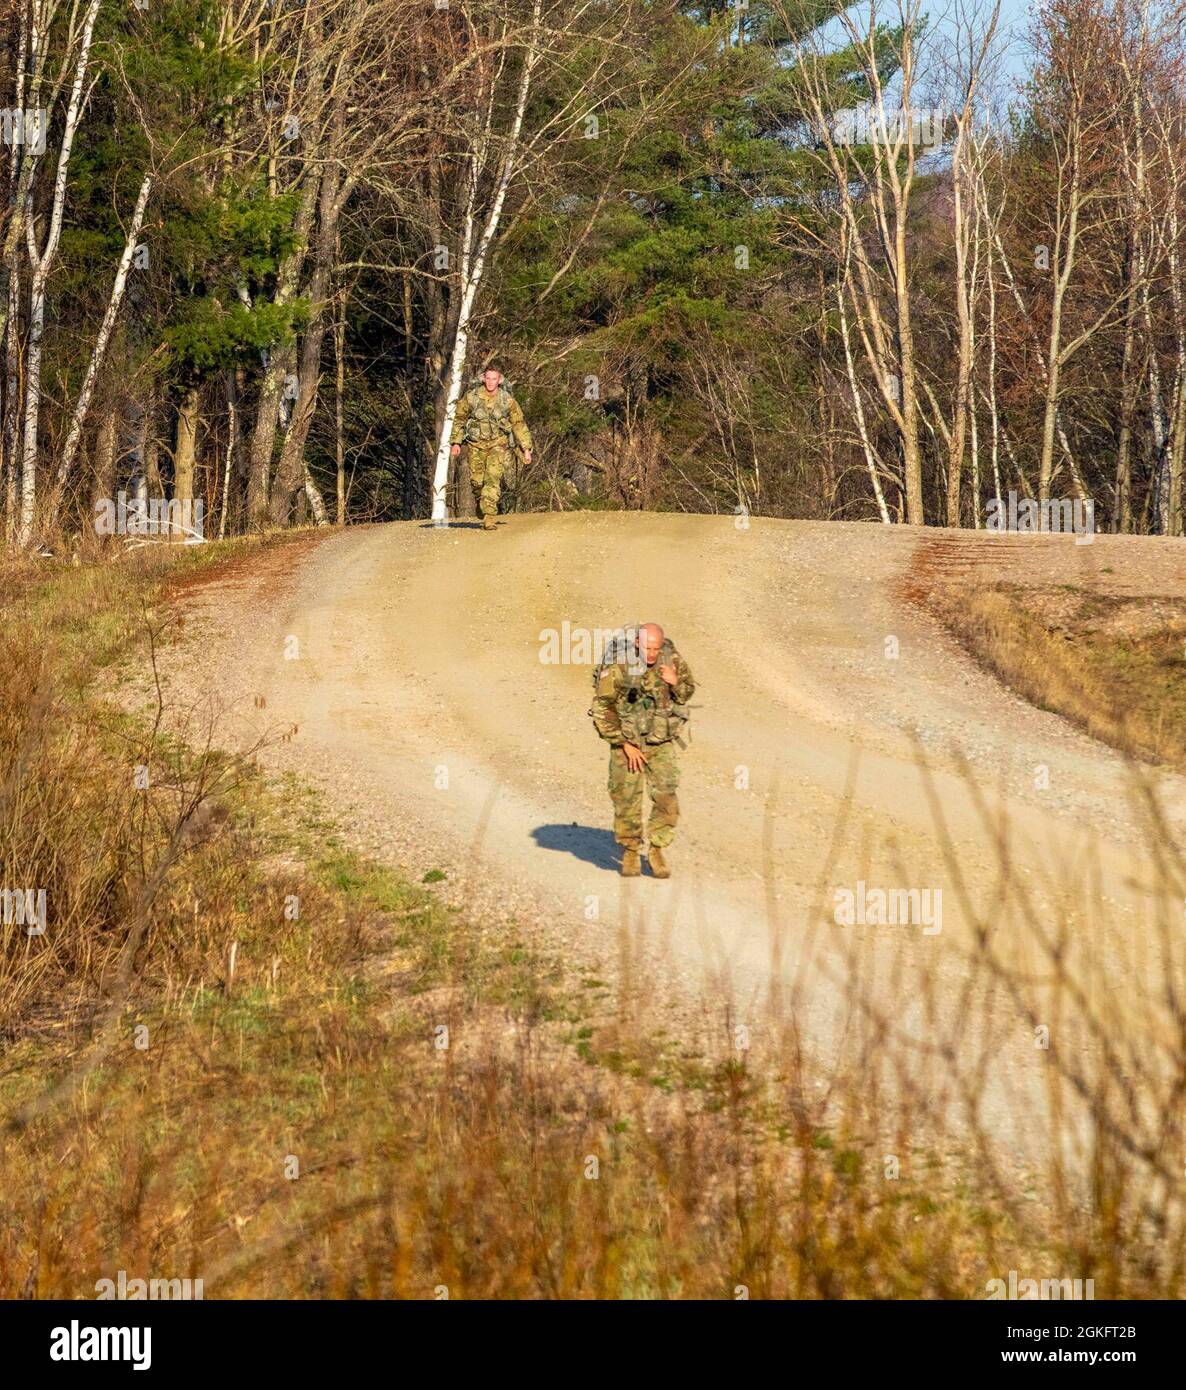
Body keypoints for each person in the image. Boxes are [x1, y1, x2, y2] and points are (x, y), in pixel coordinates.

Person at [590, 622, 695, 878]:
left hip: (660, 743)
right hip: (627, 744)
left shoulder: (670, 659)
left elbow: (686, 692)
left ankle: (658, 848)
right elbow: (602, 709)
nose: (651, 653)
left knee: (666, 796)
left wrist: (675, 682)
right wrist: (624, 744)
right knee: (626, 798)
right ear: (637, 643)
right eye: (647, 648)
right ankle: (630, 850)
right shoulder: (619, 666)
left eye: (655, 648)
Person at [449, 363, 533, 530]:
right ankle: (482, 504)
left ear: (499, 380)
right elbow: (459, 419)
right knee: (477, 481)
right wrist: (456, 442)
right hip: (476, 445)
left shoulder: (507, 400)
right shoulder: (472, 397)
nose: (490, 382)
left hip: (498, 444)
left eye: (494, 379)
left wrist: (526, 448)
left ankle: (489, 517)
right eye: (488, 378)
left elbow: (518, 423)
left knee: (492, 479)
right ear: (483, 379)